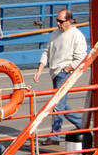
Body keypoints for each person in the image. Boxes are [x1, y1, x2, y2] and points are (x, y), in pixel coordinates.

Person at [34, 10, 88, 144]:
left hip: (65, 73)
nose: (58, 23)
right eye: (57, 21)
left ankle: (55, 136)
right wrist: (40, 69)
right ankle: (82, 125)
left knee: (57, 104)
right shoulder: (55, 33)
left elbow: (81, 56)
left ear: (69, 21)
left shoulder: (77, 35)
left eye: (61, 21)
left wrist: (69, 68)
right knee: (60, 104)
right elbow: (46, 51)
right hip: (55, 72)